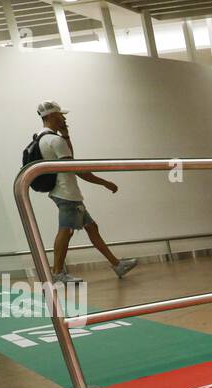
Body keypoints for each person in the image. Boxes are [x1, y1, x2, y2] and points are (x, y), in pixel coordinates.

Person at [34, 101, 136, 284]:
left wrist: (65, 135)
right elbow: (76, 168)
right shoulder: (54, 140)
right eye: (60, 115)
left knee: (91, 227)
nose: (63, 118)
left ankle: (117, 265)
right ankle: (57, 273)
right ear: (49, 116)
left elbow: (69, 158)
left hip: (64, 192)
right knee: (66, 231)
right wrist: (105, 183)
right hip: (66, 193)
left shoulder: (43, 138)